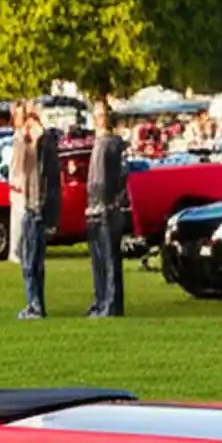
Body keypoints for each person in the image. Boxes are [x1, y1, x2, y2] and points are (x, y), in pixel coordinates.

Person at [85, 101, 128, 318]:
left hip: (106, 209)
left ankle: (110, 304)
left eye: (101, 115)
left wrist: (108, 202)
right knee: (99, 260)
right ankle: (101, 300)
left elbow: (111, 180)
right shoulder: (101, 143)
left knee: (109, 260)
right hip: (96, 208)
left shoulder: (110, 144)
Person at [17, 110, 60, 320]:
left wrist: (47, 215)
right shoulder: (37, 150)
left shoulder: (44, 149)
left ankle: (35, 305)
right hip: (33, 209)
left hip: (37, 211)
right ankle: (35, 304)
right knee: (30, 260)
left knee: (31, 261)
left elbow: (50, 185)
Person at [7, 101, 29, 264]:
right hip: (18, 186)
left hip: (23, 185)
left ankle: (20, 251)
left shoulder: (23, 138)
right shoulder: (17, 139)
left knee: (22, 221)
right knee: (17, 222)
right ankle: (15, 252)